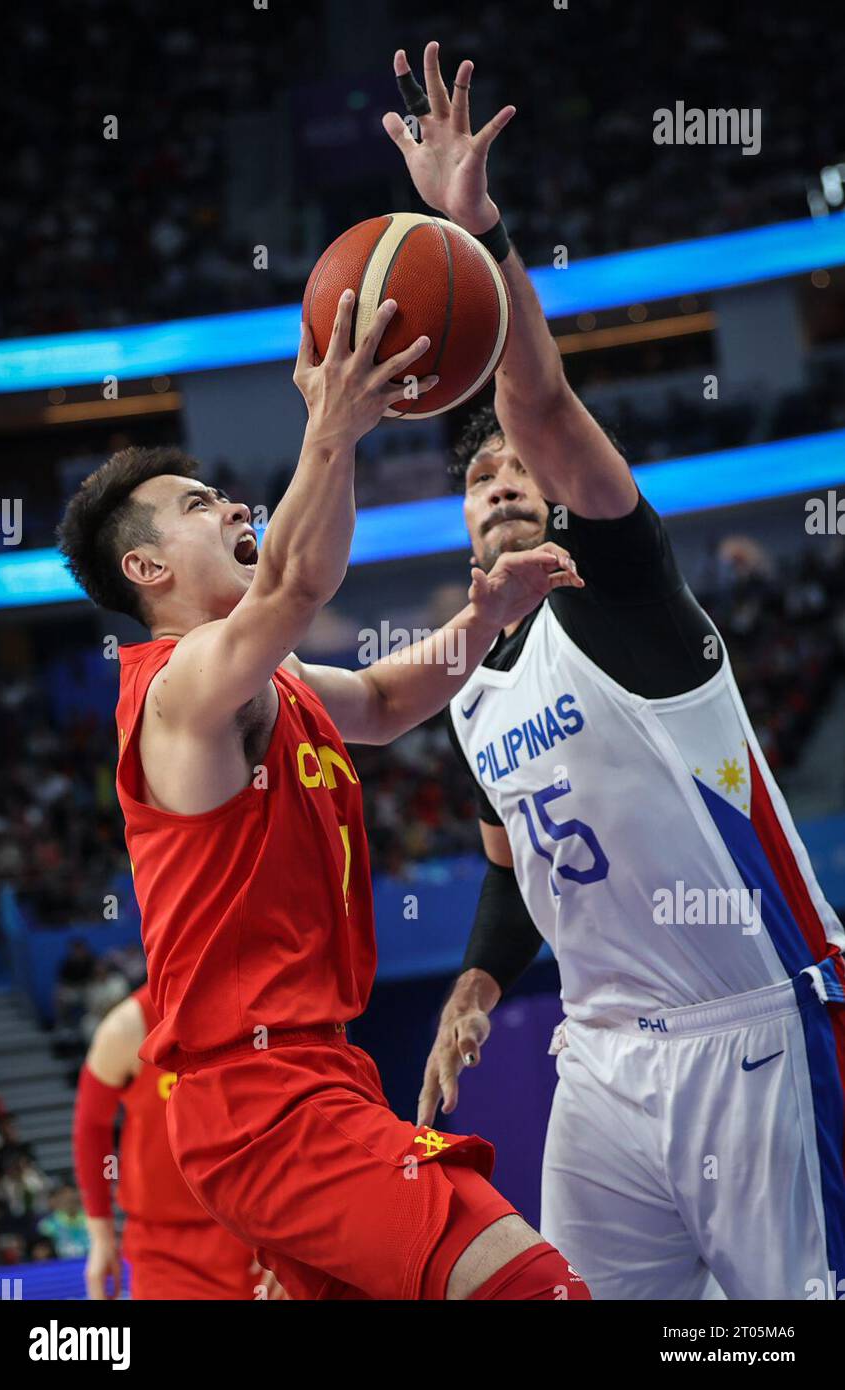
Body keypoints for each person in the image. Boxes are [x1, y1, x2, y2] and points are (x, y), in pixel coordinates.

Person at [385, 41, 845, 1301]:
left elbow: (537, 409)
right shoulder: (469, 690)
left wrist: (475, 234)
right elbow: (510, 874)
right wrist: (475, 984)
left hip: (747, 1026)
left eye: (514, 474)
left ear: (557, 501)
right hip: (596, 1057)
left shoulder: (624, 592)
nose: (496, 484)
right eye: (476, 479)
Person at [58, 292, 591, 1301]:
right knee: (534, 1286)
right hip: (258, 1097)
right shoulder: (177, 692)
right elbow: (295, 586)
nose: (232, 508)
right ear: (147, 566)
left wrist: (482, 618)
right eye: (199, 505)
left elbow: (386, 701)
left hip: (316, 1073)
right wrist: (332, 427)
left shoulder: (277, 677)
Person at [74, 983, 284, 1299]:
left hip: (257, 1235)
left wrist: (292, 1229)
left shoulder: (262, 1008)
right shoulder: (128, 1026)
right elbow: (91, 1126)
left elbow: (292, 1117)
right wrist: (101, 1233)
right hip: (165, 1250)